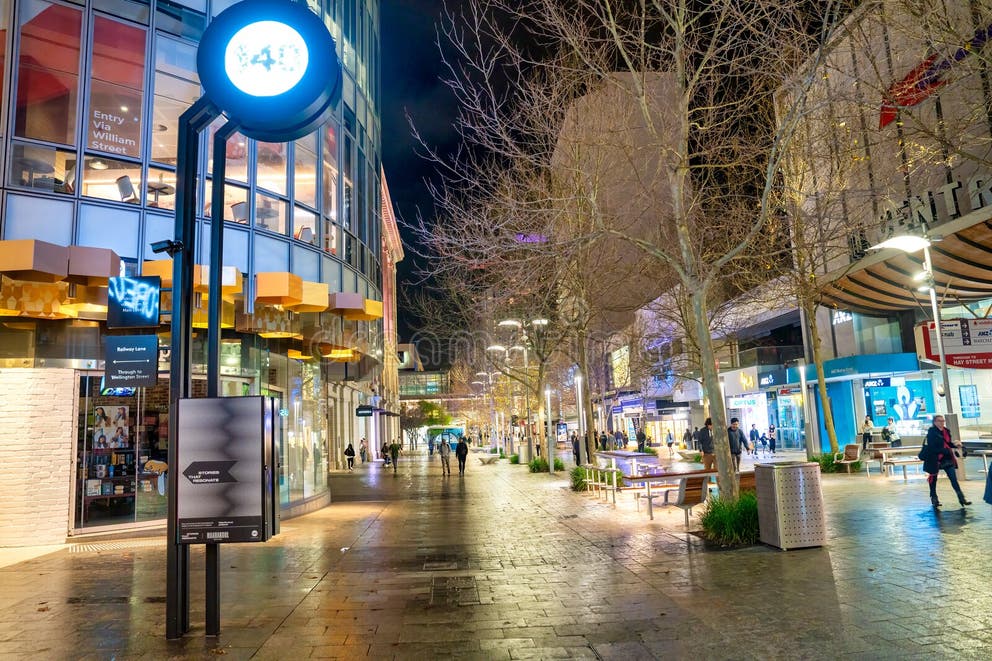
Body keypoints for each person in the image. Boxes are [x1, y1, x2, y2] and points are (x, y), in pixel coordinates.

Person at [922, 415, 970, 508]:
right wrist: (944, 450)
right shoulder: (931, 432)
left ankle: (961, 498)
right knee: (933, 480)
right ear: (935, 422)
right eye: (939, 421)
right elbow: (932, 447)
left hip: (947, 458)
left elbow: (948, 443)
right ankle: (934, 498)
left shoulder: (946, 431)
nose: (942, 423)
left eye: (942, 421)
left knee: (953, 479)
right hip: (935, 459)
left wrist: (956, 445)